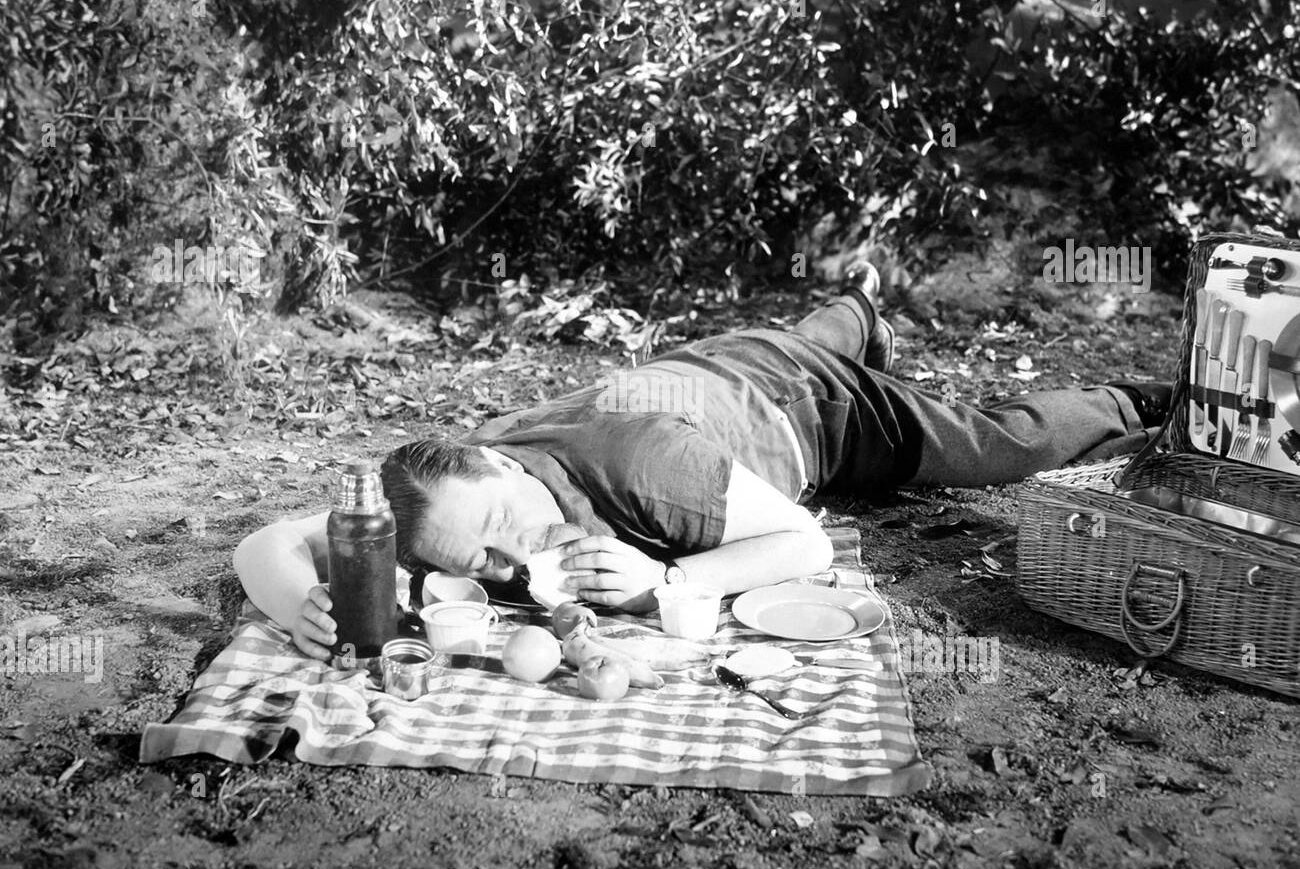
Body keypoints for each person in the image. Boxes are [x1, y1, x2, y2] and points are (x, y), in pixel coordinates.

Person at [234, 265, 1169, 660]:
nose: (509, 559)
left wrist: (665, 577)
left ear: (494, 461)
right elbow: (265, 545)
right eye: (473, 562)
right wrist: (298, 608)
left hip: (803, 407)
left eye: (499, 530)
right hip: (702, 374)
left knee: (994, 445)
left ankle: (1136, 399)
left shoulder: (646, 471)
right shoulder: (448, 489)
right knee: (778, 342)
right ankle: (855, 314)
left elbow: (801, 540)